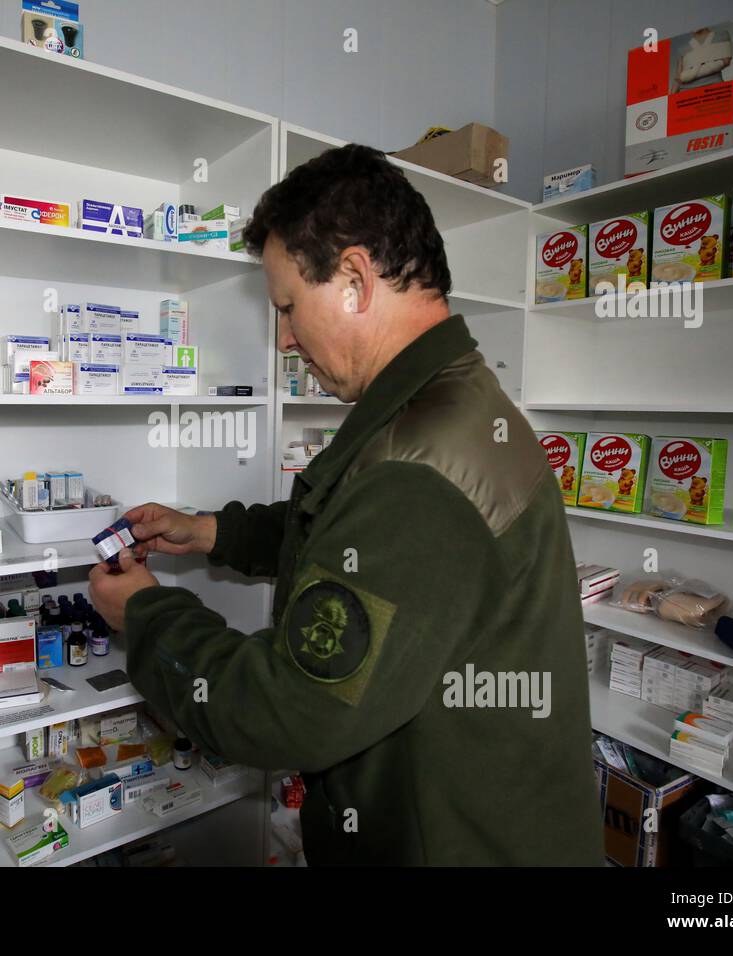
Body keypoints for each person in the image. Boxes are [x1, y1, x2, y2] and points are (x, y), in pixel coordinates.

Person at [88, 144, 602, 865]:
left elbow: (285, 710)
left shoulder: (421, 469)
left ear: (356, 279)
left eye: (290, 308)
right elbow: (344, 536)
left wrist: (144, 615)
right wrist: (208, 531)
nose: (287, 338)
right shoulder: (442, 403)